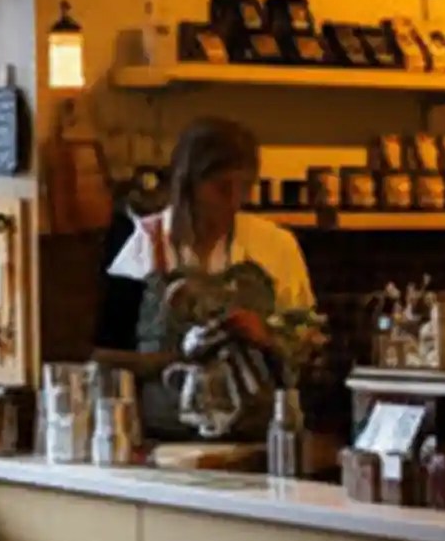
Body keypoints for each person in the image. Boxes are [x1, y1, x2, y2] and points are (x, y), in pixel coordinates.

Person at [94, 117, 315, 441]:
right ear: (188, 184)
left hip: (257, 435)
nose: (234, 201)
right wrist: (176, 358)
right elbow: (102, 353)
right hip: (163, 436)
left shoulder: (275, 246)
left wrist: (266, 336)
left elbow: (310, 344)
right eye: (222, 188)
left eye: (244, 187)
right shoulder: (139, 245)